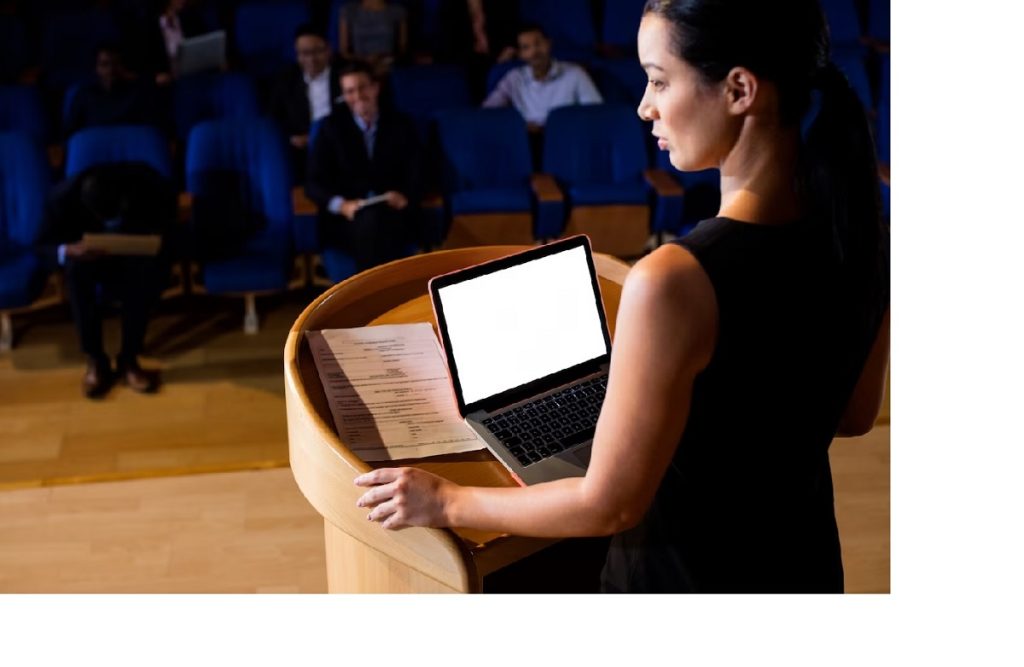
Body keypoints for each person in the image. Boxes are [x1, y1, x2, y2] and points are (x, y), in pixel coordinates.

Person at [354, 0, 890, 593]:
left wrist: (446, 500)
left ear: (739, 90)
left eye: (659, 80)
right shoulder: (866, 236)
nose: (643, 106)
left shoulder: (675, 280)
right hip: (803, 568)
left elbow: (608, 505)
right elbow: (853, 414)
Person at [38, 162, 176, 398]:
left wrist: (153, 241)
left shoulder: (149, 184)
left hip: (133, 254)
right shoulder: (60, 199)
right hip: (87, 258)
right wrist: (67, 250)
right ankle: (95, 360)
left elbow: (170, 225)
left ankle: (129, 359)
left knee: (144, 271)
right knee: (75, 271)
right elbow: (42, 246)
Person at [305, 61, 420, 272]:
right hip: (346, 219)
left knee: (381, 225)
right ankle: (385, 289)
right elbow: (313, 184)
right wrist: (342, 205)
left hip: (392, 212)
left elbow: (418, 171)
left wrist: (404, 195)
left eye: (362, 88)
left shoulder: (401, 124)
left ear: (375, 88)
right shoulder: (330, 128)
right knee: (371, 228)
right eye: (350, 91)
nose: (357, 96)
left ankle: (373, 290)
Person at [482, 23, 603, 131]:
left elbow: (596, 113)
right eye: (526, 47)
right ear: (520, 54)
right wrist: (517, 126)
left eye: (538, 43)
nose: (534, 51)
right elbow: (487, 112)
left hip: (566, 136)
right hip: (525, 139)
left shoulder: (575, 74)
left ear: (549, 44)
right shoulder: (514, 77)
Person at [271, 23, 341, 182]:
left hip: (340, 144)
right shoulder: (286, 80)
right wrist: (293, 138)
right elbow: (274, 118)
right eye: (304, 53)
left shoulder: (344, 74)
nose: (311, 59)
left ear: (329, 50)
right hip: (302, 150)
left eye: (317, 51)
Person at [64, 42, 160, 139]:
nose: (110, 70)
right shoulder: (84, 95)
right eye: (104, 64)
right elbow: (71, 133)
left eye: (116, 64)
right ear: (96, 68)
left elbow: (150, 130)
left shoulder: (139, 93)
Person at [337, 0, 408, 73]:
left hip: (388, 65)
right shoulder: (349, 10)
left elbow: (402, 48)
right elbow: (344, 51)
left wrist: (384, 60)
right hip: (359, 65)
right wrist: (364, 60)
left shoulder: (397, 11)